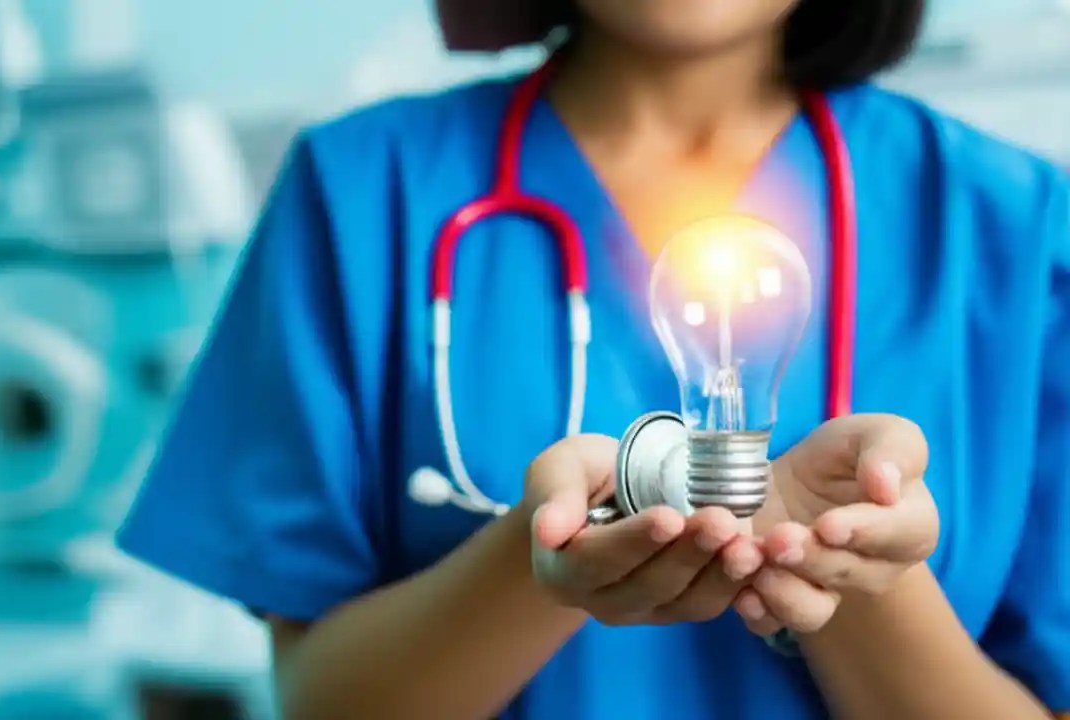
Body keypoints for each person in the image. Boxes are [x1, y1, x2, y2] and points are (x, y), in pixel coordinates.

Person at [116, 1, 1070, 718]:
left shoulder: (1018, 227)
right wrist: (532, 558)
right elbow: (326, 705)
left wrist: (851, 568)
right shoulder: (362, 190)